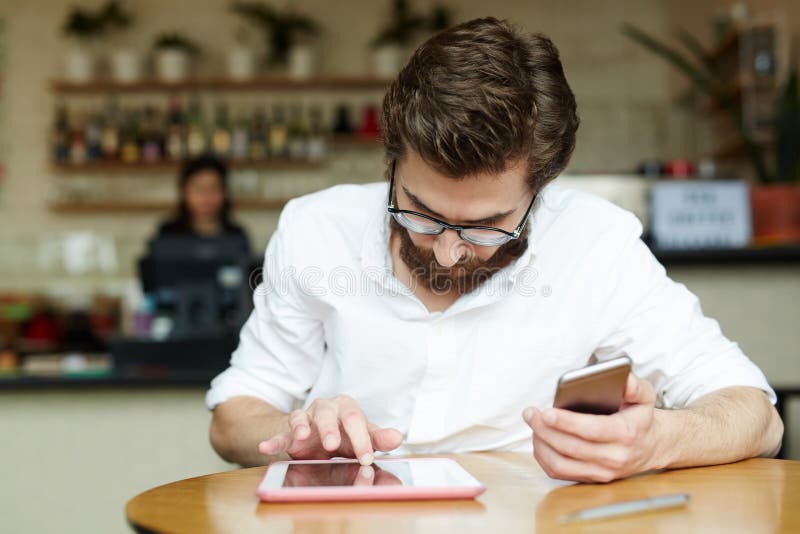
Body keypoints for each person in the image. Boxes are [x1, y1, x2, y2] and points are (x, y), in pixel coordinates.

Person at [207, 18, 783, 483]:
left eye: (486, 227)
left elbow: (758, 416)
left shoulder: (596, 242)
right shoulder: (315, 228)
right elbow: (233, 415)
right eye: (420, 213)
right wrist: (294, 435)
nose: (448, 253)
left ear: (541, 189)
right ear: (390, 162)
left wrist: (657, 440)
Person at [157, 154, 250, 248]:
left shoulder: (236, 235)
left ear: (224, 192)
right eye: (199, 189)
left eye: (213, 188)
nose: (206, 196)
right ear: (184, 192)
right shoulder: (168, 234)